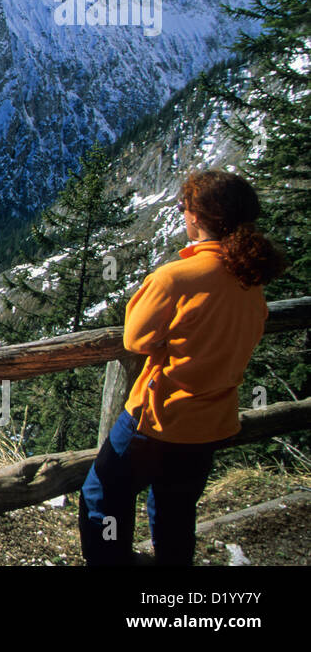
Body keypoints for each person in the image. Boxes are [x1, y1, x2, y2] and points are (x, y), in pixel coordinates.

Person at [78, 169, 286, 565]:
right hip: (211, 422)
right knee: (175, 508)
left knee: (102, 494)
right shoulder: (250, 282)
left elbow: (135, 339)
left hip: (158, 418)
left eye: (184, 208)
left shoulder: (176, 278)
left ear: (199, 217)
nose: (183, 215)